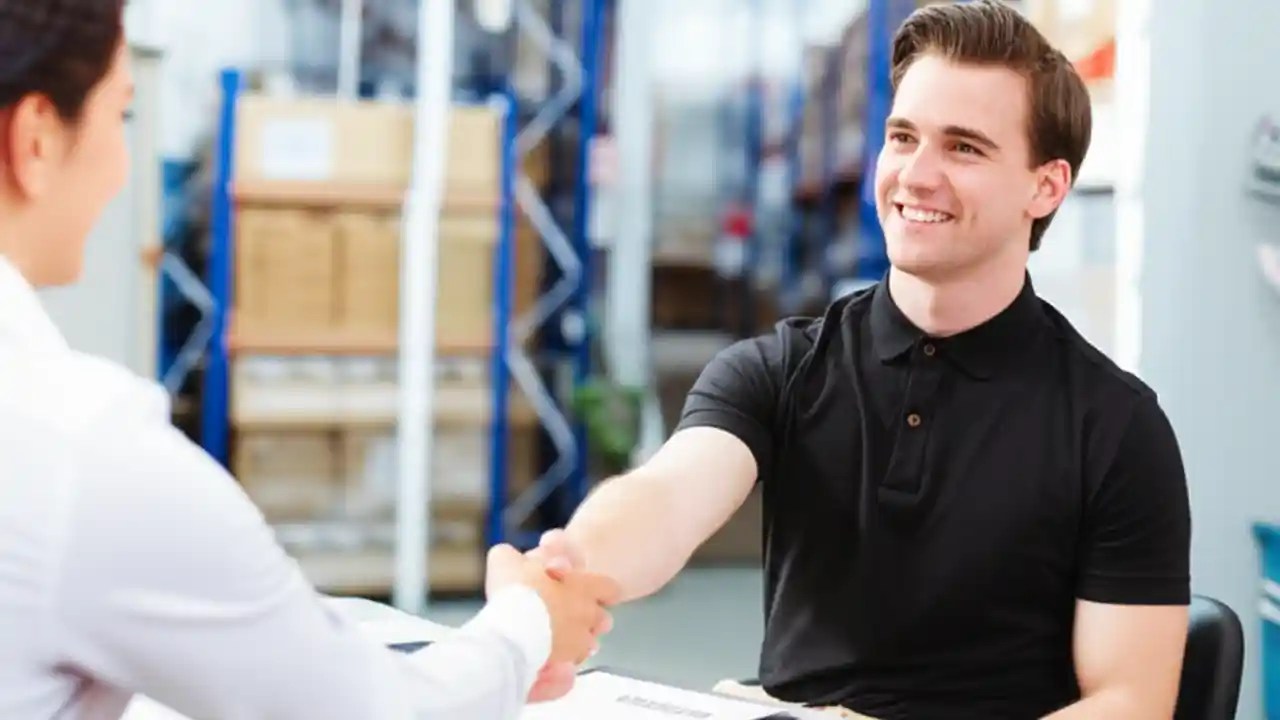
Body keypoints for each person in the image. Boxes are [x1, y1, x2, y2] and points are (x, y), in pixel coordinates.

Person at [529, 2, 1192, 718]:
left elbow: (1132, 702)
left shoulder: (1116, 428)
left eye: (963, 147)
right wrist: (572, 563)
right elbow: (667, 499)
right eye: (903, 137)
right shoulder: (780, 371)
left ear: (1046, 185)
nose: (916, 175)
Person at [0, 2, 619, 719]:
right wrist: (528, 623)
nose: (121, 167)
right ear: (37, 138)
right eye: (123, 118)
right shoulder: (82, 450)